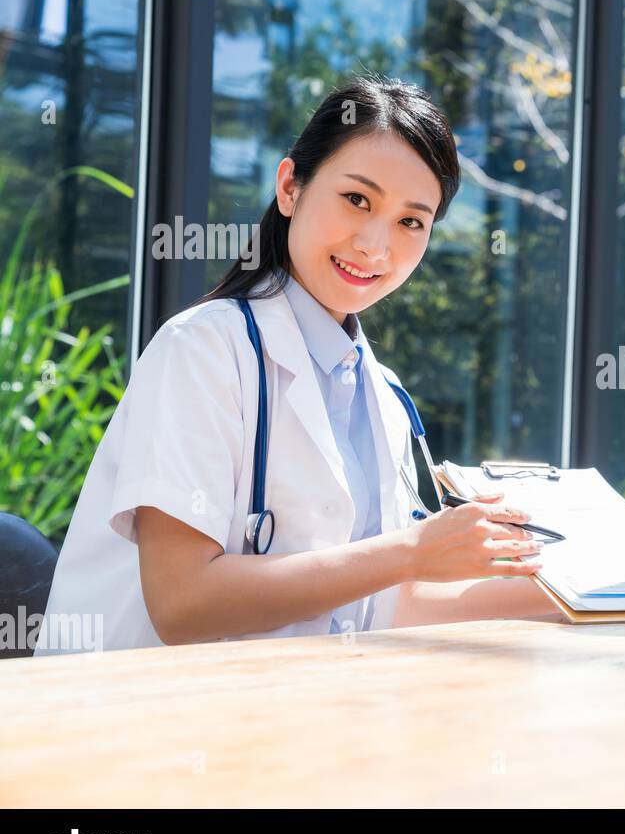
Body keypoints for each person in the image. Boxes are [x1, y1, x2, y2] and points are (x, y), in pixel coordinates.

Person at [36, 76, 559, 653]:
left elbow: (384, 604)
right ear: (290, 188)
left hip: (292, 719)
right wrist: (412, 552)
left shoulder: (380, 394)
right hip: (140, 722)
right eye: (357, 199)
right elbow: (182, 602)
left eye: (412, 221)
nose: (375, 245)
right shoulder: (202, 350)